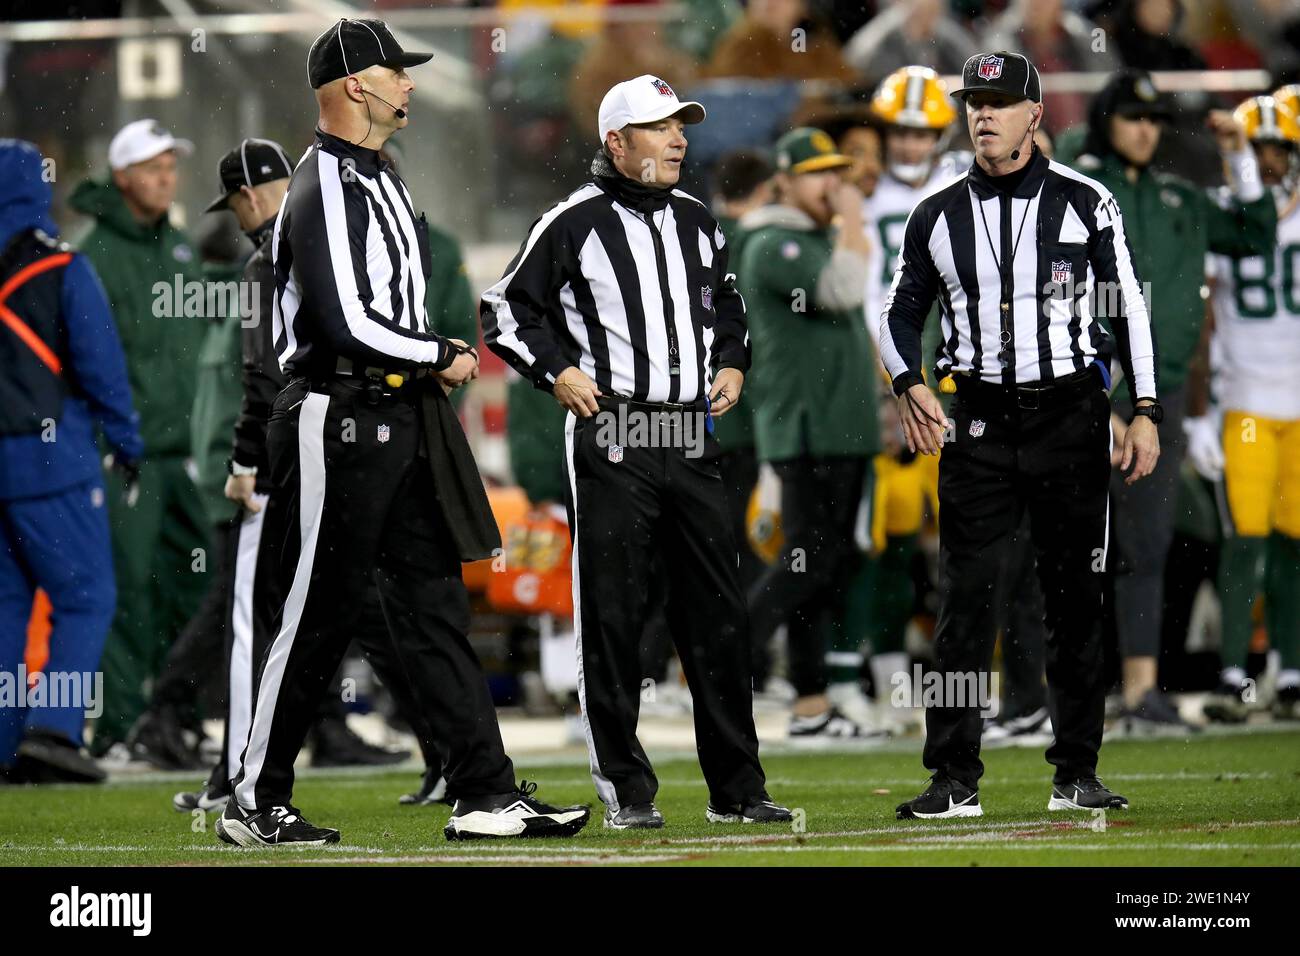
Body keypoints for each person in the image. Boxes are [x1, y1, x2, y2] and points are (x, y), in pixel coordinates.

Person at [216, 18, 590, 847]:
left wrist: (423, 363)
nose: (412, 84)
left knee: (432, 607)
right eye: (397, 71)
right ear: (356, 86)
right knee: (316, 610)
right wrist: (440, 351)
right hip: (337, 414)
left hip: (393, 414)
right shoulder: (324, 187)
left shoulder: (378, 176)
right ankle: (254, 796)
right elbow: (343, 320)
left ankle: (484, 792)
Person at [482, 74, 791, 829]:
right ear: (616, 142)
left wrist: (732, 362)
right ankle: (626, 788)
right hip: (615, 430)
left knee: (717, 614)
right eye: (659, 127)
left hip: (689, 430)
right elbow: (503, 310)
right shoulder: (571, 220)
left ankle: (738, 789)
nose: (679, 138)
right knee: (612, 612)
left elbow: (729, 305)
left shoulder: (697, 218)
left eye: (681, 125)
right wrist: (558, 372)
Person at [880, 52, 1159, 819]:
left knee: (1075, 596)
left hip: (1069, 413)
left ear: (1036, 116)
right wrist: (909, 383)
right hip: (977, 418)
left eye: (1001, 102)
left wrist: (1147, 409)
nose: (984, 115)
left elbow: (1127, 307)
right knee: (964, 601)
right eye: (974, 102)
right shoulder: (936, 212)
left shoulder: (1086, 201)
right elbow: (897, 314)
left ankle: (1076, 770)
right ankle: (952, 777)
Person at [1063, 71, 1277, 733]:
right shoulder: (1077, 192)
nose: (1146, 129)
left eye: (1154, 119)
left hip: (1165, 395)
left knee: (1147, 543)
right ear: (1105, 121)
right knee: (1064, 546)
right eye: (1131, 117)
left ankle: (1140, 690)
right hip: (1080, 389)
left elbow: (1254, 232)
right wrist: (1113, 396)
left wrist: (1239, 156)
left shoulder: (1177, 196)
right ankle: (1060, 690)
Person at [0, 140, 143, 784]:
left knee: (5, 610)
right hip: (53, 465)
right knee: (85, 598)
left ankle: (6, 743)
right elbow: (101, 370)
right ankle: (54, 732)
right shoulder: (61, 269)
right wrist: (128, 445)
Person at [69, 119, 212, 758]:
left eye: (171, 166)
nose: (165, 177)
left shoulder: (180, 248)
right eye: (152, 167)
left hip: (189, 453)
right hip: (126, 455)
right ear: (122, 175)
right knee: (128, 592)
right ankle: (123, 727)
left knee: (196, 586)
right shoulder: (91, 255)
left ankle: (176, 720)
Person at [737, 127, 879, 739]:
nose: (833, 185)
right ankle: (727, 660)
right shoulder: (772, 244)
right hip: (807, 431)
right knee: (805, 562)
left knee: (822, 567)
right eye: (819, 173)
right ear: (784, 182)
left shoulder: (811, 239)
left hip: (839, 431)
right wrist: (854, 221)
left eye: (836, 173)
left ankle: (811, 703)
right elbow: (842, 289)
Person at [1201, 93, 1300, 724]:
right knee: (1244, 540)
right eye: (1257, 150)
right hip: (1243, 400)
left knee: (1294, 541)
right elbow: (1203, 314)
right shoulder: (1219, 212)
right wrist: (1198, 408)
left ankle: (1290, 672)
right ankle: (1235, 674)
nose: (1266, 162)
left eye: (1276, 149)